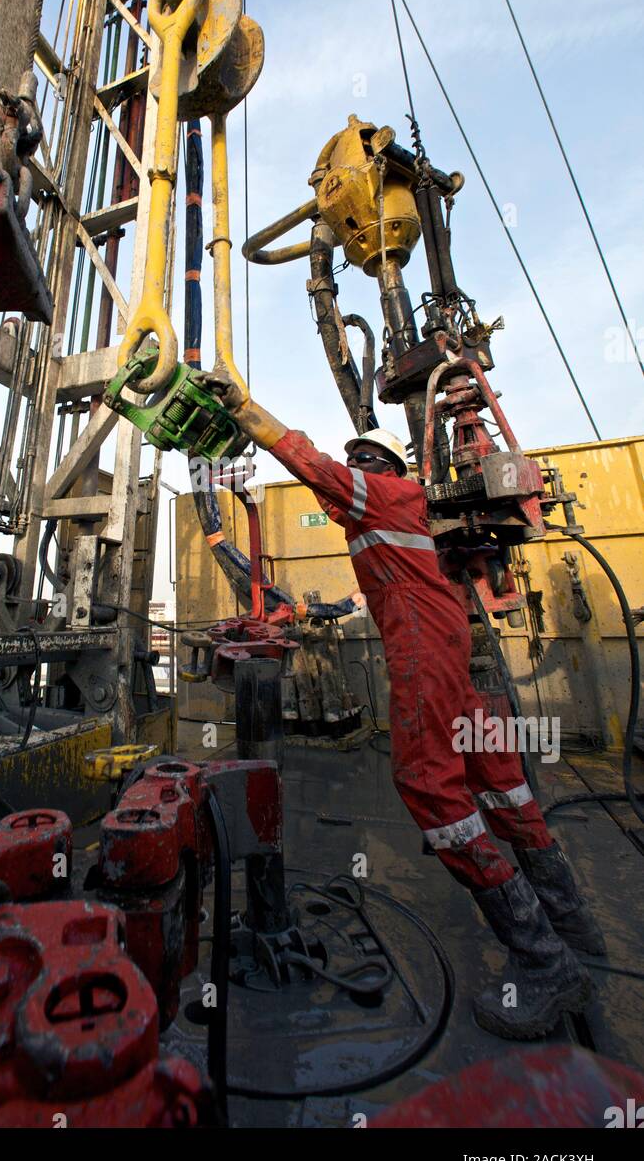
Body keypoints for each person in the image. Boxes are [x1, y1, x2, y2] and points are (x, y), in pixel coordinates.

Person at [221, 384, 604, 1039]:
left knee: (429, 784)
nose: (358, 469)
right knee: (502, 783)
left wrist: (242, 411)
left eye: (368, 459)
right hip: (456, 650)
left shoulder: (382, 495)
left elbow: (313, 465)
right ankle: (573, 926)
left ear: (390, 470)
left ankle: (543, 962)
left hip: (426, 654)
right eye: (359, 461)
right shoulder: (397, 517)